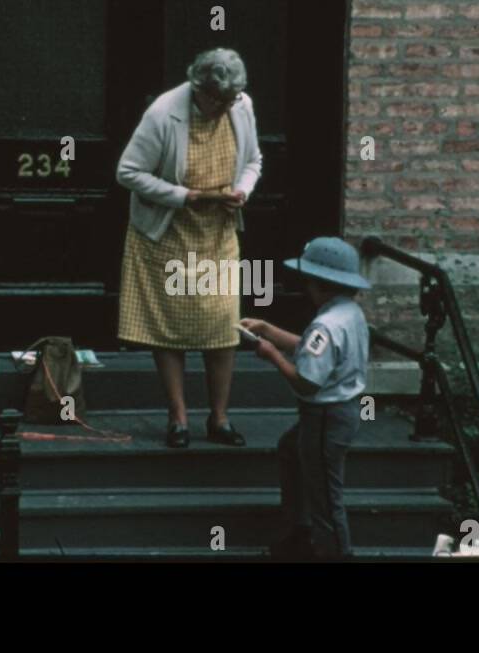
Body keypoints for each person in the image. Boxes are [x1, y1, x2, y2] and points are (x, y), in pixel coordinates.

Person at [116, 47, 262, 448]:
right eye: (219, 100)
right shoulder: (164, 113)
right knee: (168, 326)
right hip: (168, 233)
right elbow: (128, 172)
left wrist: (242, 191)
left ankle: (219, 418)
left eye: (231, 99)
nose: (226, 106)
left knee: (222, 325)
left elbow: (253, 160)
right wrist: (183, 195)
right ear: (200, 88)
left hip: (218, 232)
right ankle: (178, 417)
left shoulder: (242, 106)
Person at [240, 237, 370, 561]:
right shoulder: (348, 312)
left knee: (327, 498)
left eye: (309, 280)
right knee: (290, 450)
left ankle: (336, 553)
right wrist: (268, 329)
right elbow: (313, 349)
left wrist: (271, 354)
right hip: (342, 412)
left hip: (326, 417)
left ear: (321, 284)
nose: (306, 287)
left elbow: (307, 382)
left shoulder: (325, 325)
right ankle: (299, 530)